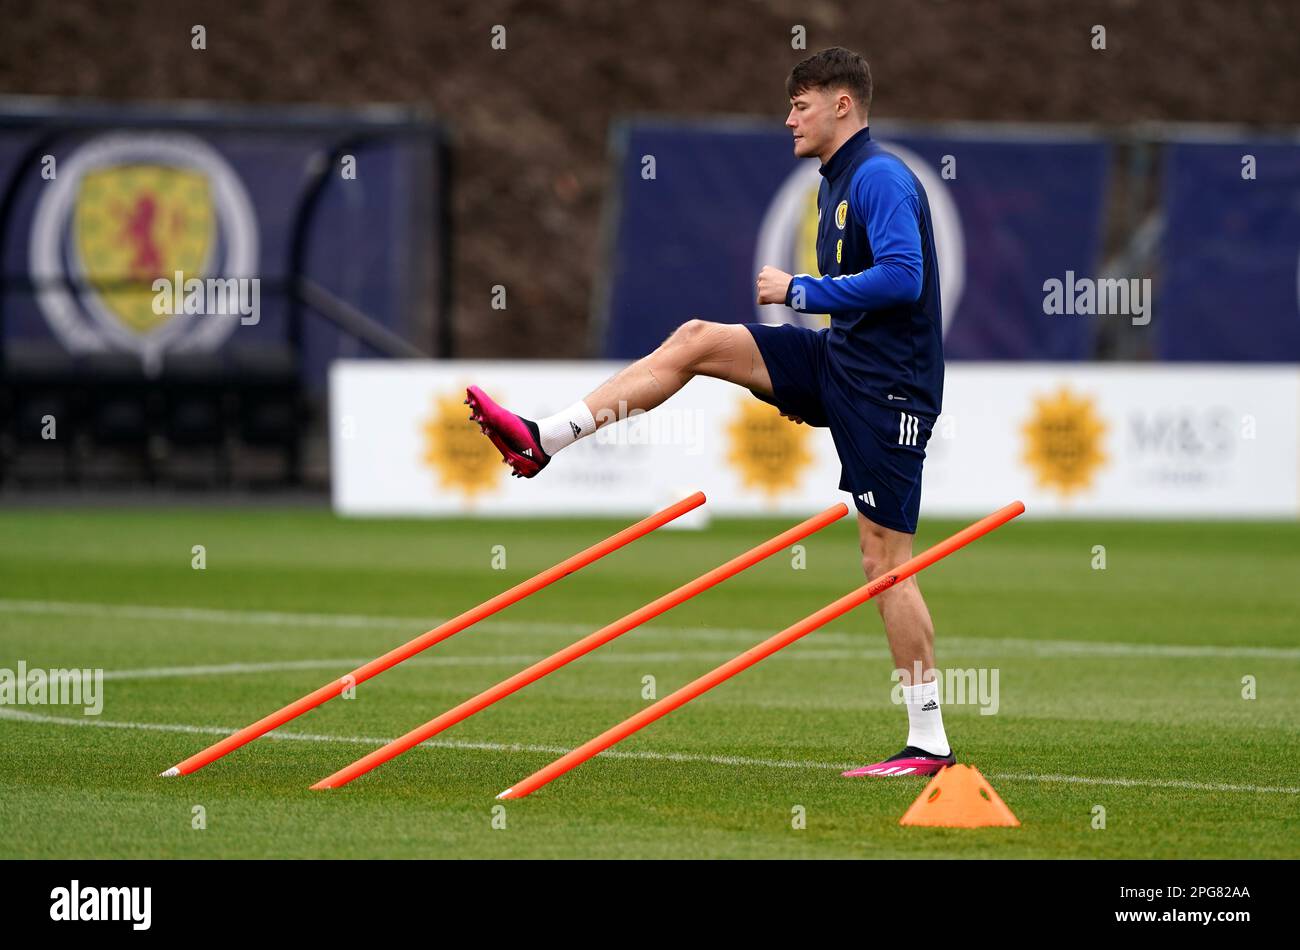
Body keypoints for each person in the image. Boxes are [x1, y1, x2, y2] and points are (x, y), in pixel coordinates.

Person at [466, 47, 952, 777]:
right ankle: (546, 437)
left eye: (802, 103)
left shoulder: (878, 176)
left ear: (843, 106)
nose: (788, 117)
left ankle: (929, 745)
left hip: (891, 389)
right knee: (697, 340)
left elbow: (903, 278)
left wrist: (803, 290)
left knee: (885, 562)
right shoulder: (837, 182)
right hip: (840, 364)